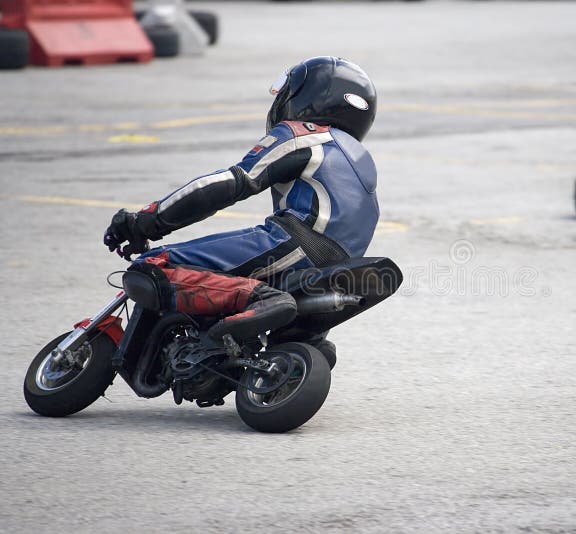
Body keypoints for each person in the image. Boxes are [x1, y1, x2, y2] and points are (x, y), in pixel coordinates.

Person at [103, 56, 379, 365]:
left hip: (294, 243)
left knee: (150, 267)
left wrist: (147, 221)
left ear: (307, 94)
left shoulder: (305, 134)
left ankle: (263, 298)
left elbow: (233, 183)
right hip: (339, 264)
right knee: (294, 336)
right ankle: (289, 348)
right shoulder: (361, 161)